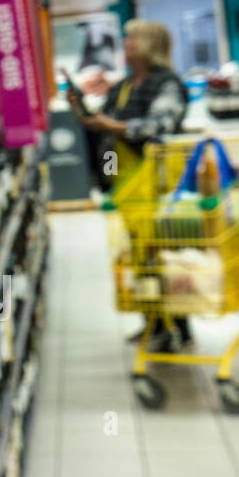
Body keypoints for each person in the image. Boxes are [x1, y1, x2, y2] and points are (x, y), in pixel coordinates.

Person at [68, 19, 189, 348]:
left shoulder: (168, 83)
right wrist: (79, 106)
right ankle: (153, 321)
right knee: (138, 254)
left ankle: (176, 325)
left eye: (132, 41)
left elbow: (158, 125)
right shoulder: (123, 86)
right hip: (126, 183)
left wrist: (113, 124)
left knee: (161, 253)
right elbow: (101, 121)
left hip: (156, 184)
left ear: (150, 46)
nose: (125, 46)